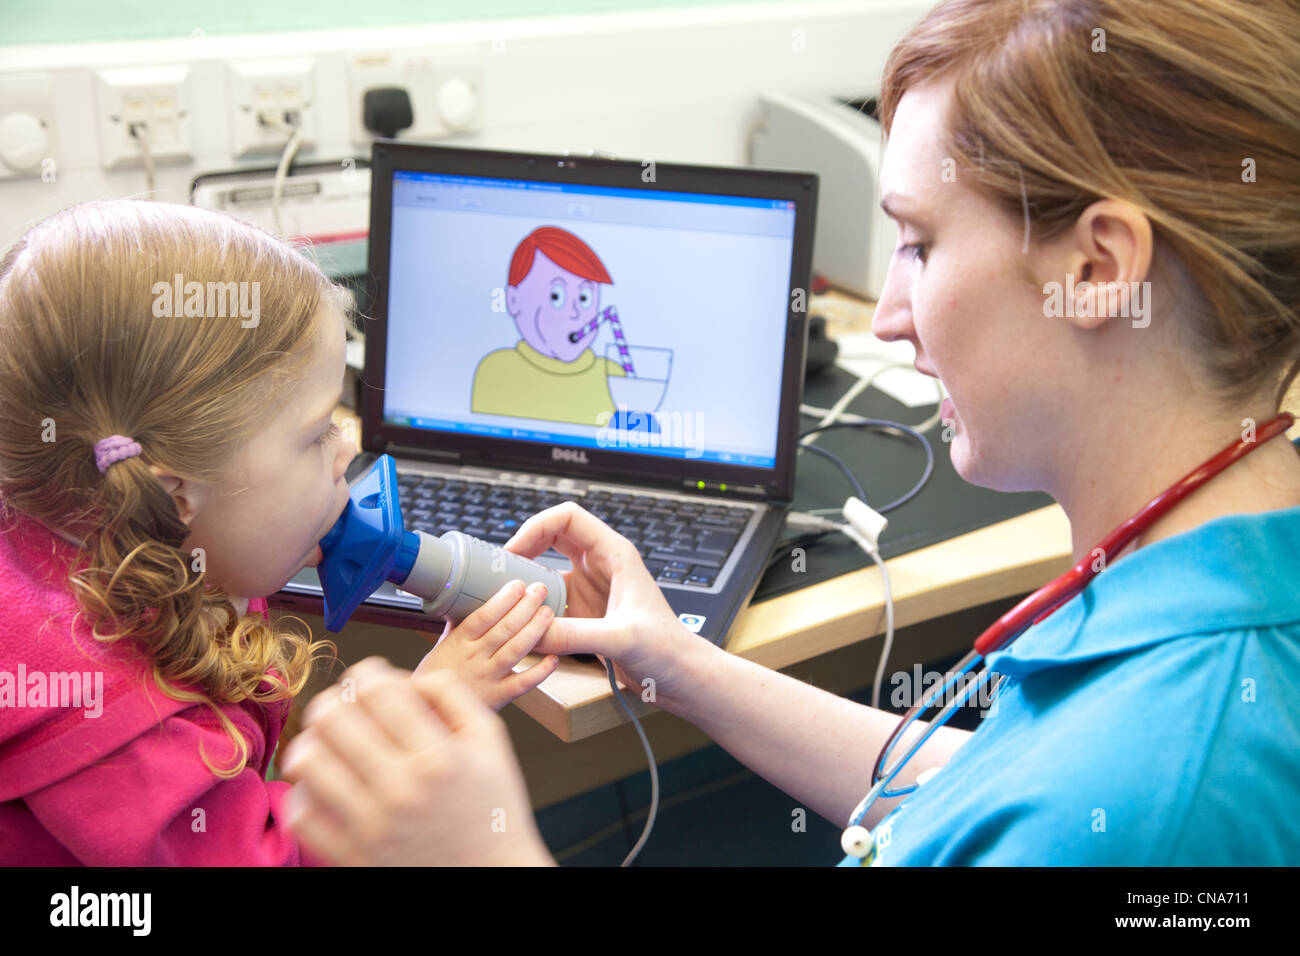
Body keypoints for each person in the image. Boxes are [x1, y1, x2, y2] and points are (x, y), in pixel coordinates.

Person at [280, 0, 1300, 867]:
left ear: (1097, 270)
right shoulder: (1236, 556)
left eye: (920, 242)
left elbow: (1074, 800)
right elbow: (992, 785)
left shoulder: (1158, 786)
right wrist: (681, 663)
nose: (889, 312)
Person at [0, 199, 560, 865]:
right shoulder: (122, 734)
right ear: (174, 495)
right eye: (316, 431)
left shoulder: (99, 535)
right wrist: (429, 717)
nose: (346, 448)